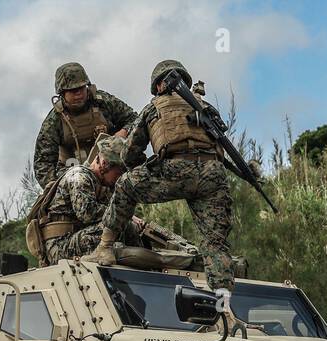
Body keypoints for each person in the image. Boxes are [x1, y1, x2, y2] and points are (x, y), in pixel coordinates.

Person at [84, 59, 234, 290]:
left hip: (176, 169)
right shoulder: (206, 108)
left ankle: (104, 249)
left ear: (159, 86)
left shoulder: (155, 106)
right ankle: (226, 310)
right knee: (215, 245)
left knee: (125, 185)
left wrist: (139, 166)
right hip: (212, 175)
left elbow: (130, 153)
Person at [28, 135, 195, 266]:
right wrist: (124, 216)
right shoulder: (79, 176)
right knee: (119, 225)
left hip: (75, 238)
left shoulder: (102, 185)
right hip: (59, 246)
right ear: (105, 164)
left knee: (131, 228)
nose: (121, 177)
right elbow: (87, 213)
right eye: (120, 171)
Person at [32, 62, 136, 187]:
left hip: (111, 169)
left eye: (81, 88)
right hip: (74, 178)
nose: (79, 94)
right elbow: (42, 163)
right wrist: (56, 188)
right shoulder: (54, 121)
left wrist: (123, 132)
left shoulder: (103, 102)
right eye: (73, 90)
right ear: (62, 93)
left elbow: (134, 119)